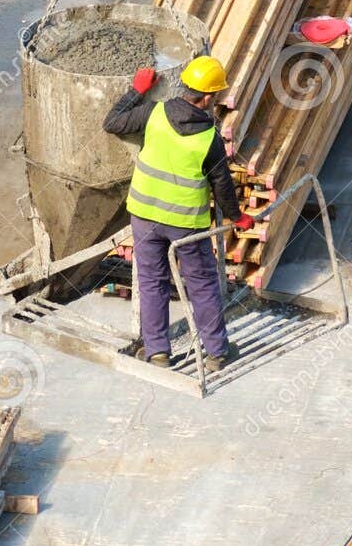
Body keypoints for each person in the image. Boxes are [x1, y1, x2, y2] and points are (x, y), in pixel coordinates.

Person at [102, 54, 252, 371]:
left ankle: (157, 352)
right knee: (202, 285)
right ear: (209, 97)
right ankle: (217, 353)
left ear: (185, 86)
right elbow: (221, 184)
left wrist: (136, 90)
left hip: (144, 217)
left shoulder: (154, 113)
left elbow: (112, 123)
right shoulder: (208, 138)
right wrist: (238, 218)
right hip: (185, 226)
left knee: (152, 281)